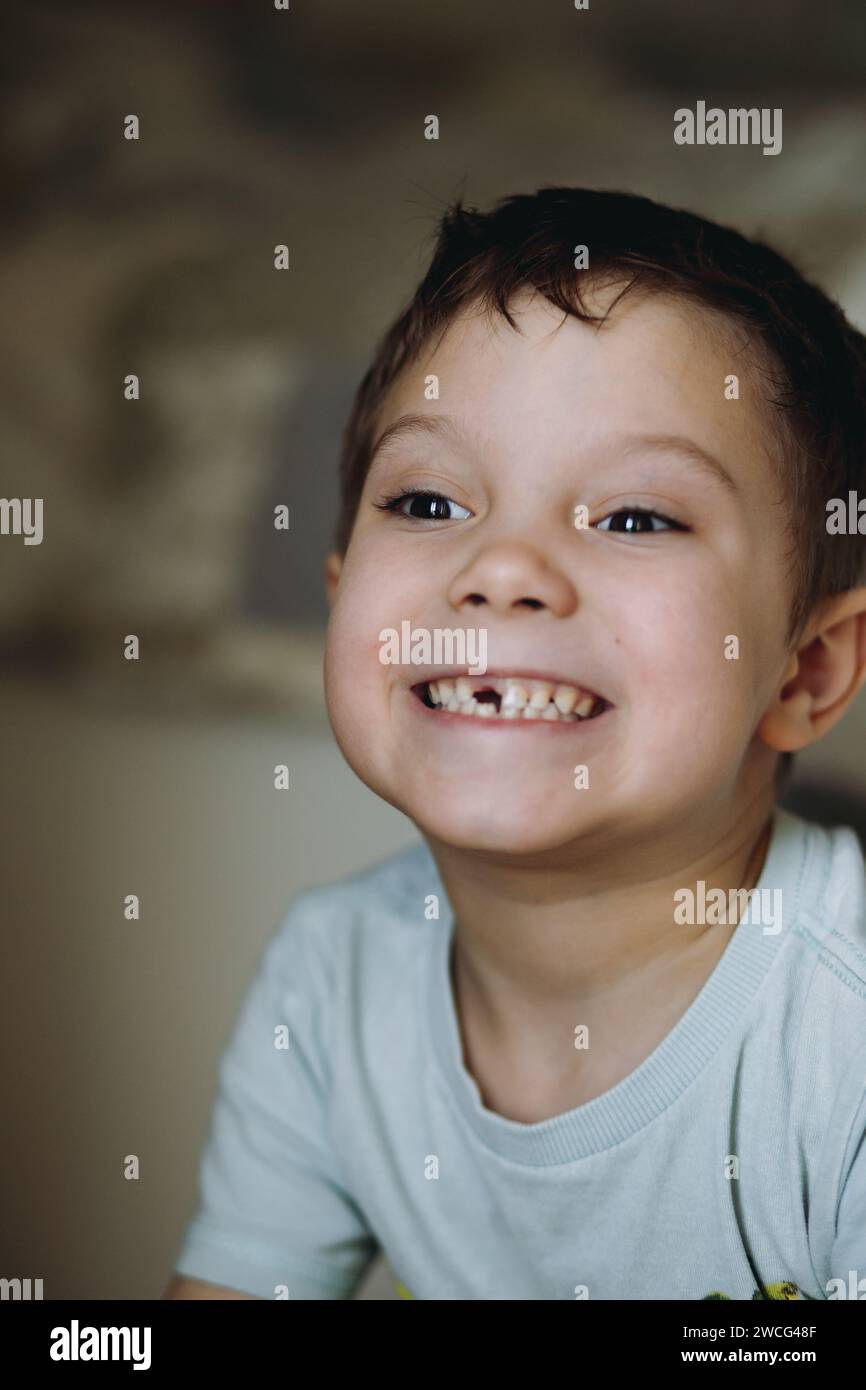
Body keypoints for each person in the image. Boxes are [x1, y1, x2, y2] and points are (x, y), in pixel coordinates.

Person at [167, 187, 866, 1301]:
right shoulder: (331, 981)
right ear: (342, 596)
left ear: (806, 669)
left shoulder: (839, 1036)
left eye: (636, 516)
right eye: (431, 501)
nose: (500, 568)